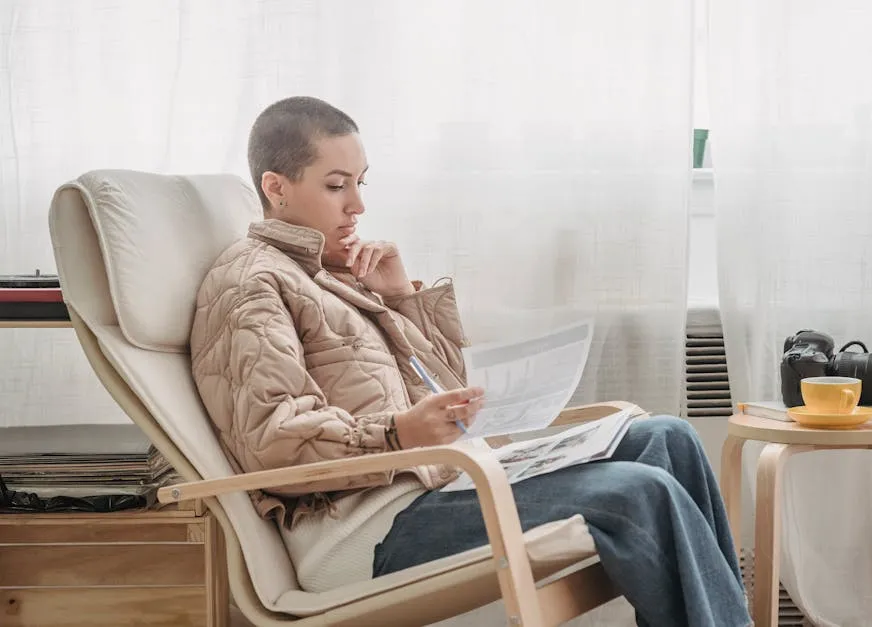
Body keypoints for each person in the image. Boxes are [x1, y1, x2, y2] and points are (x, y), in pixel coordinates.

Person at [191, 96, 751, 627]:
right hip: (367, 527)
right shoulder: (251, 283)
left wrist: (399, 298)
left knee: (669, 439)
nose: (358, 205)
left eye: (360, 183)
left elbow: (450, 397)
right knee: (638, 495)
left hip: (439, 483)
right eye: (336, 186)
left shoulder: (333, 276)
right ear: (276, 188)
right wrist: (396, 433)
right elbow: (272, 439)